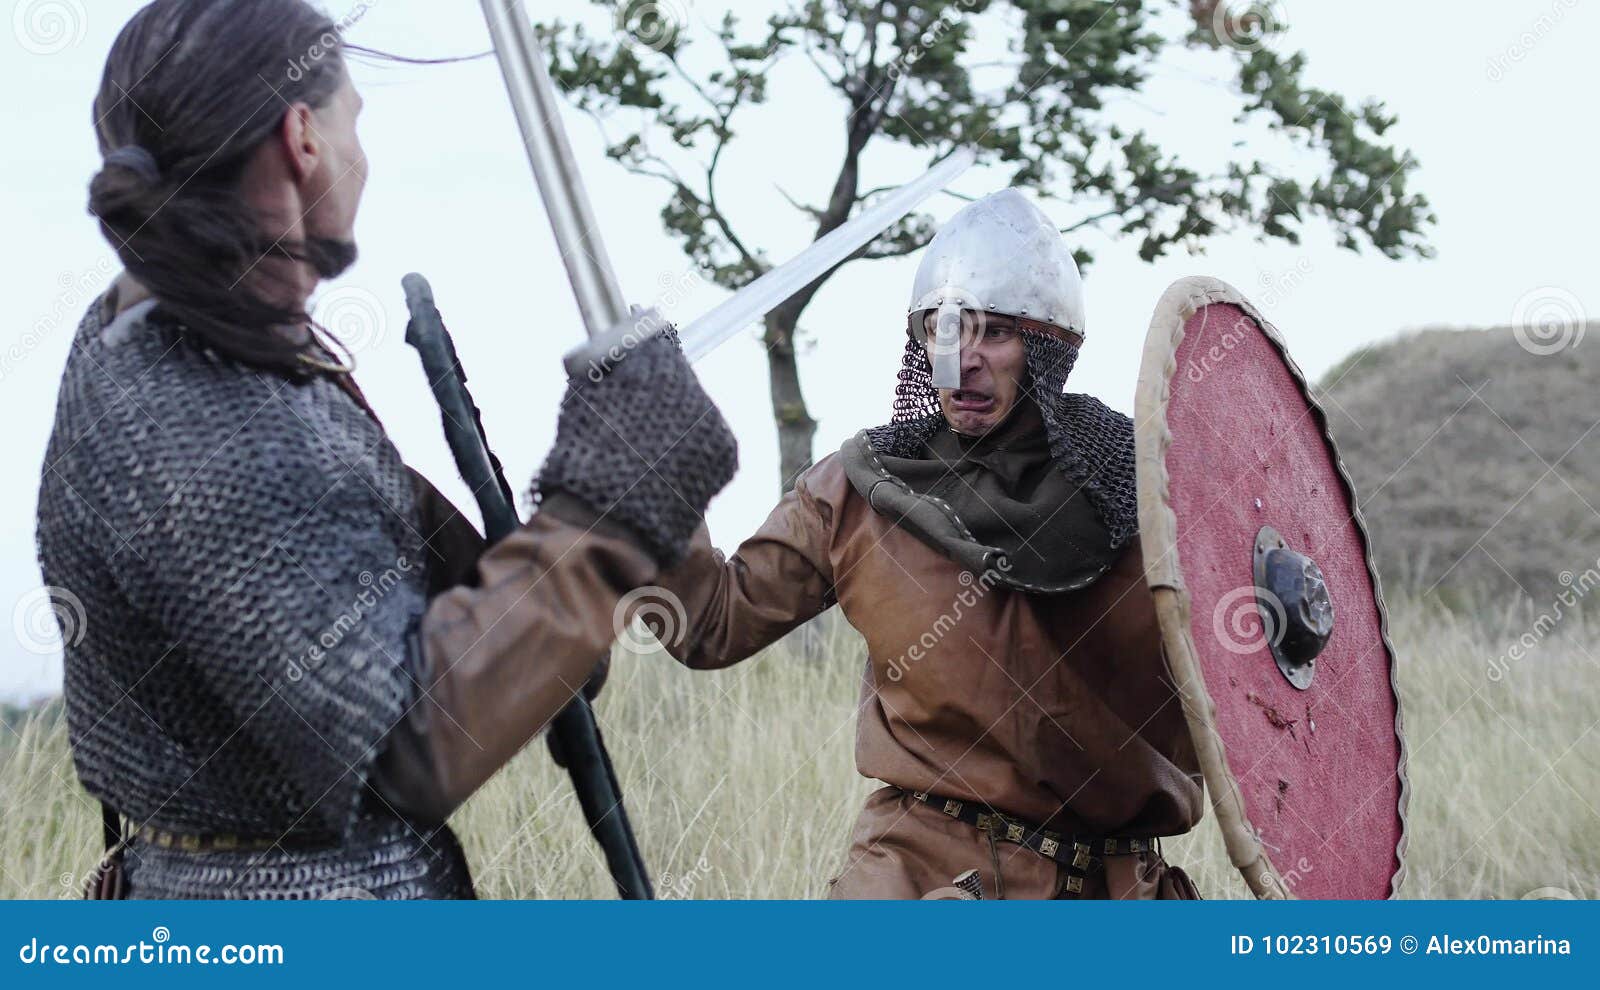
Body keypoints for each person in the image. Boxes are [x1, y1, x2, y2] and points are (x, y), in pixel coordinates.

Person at [34, 0, 736, 899]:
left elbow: (309, 557)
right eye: (351, 119)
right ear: (303, 138)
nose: (362, 155)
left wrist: (524, 602)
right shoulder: (211, 409)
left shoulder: (154, 334)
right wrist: (607, 516)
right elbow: (408, 738)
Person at [648, 189, 1203, 899]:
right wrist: (650, 462)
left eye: (995, 333)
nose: (963, 359)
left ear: (1048, 347)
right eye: (944, 331)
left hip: (1118, 894)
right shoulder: (855, 492)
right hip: (921, 879)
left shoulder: (1151, 490)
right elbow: (710, 624)